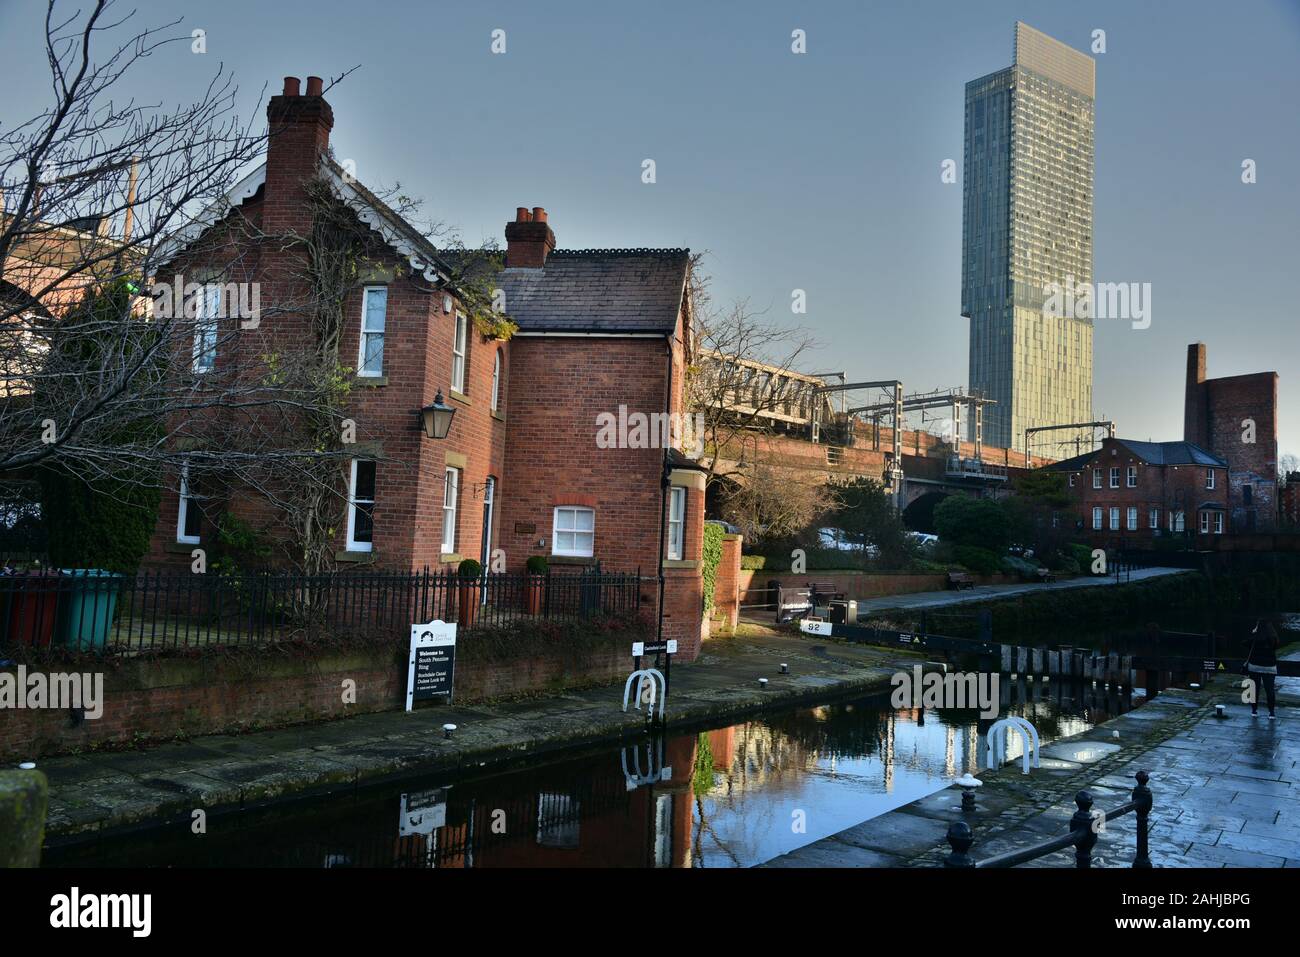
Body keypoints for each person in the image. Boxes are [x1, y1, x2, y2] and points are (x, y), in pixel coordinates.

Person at [1245, 620, 1279, 720]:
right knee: (1270, 690)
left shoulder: (1256, 638)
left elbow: (1244, 643)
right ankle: (1271, 713)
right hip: (1270, 668)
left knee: (1254, 689)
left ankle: (1254, 711)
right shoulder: (1274, 638)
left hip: (1255, 667)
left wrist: (1253, 633)